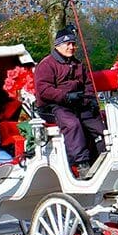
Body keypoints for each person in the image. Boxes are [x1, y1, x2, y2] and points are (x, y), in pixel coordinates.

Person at [33, 27, 107, 172]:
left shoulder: (78, 64)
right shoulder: (46, 65)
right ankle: (81, 164)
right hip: (54, 106)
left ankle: (104, 156)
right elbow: (43, 90)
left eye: (73, 44)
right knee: (72, 124)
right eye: (68, 44)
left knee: (99, 126)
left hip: (78, 103)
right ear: (57, 45)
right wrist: (65, 96)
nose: (71, 47)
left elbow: (88, 85)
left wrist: (90, 99)